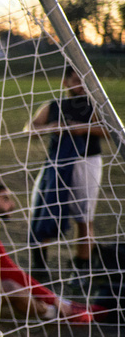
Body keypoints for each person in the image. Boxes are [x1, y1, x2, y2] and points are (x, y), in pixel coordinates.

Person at [0, 182, 92, 323]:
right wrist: (53, 299)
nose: (12, 205)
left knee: (16, 284)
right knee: (10, 287)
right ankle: (57, 313)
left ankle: (65, 306)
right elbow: (8, 273)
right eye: (5, 199)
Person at [26, 65, 108, 283]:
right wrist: (50, 128)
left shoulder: (93, 106)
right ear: (65, 82)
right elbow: (29, 128)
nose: (80, 85)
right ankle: (40, 268)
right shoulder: (53, 106)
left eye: (83, 81)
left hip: (86, 161)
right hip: (55, 163)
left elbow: (110, 130)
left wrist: (81, 129)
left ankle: (81, 269)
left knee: (83, 216)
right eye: (75, 80)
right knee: (40, 208)